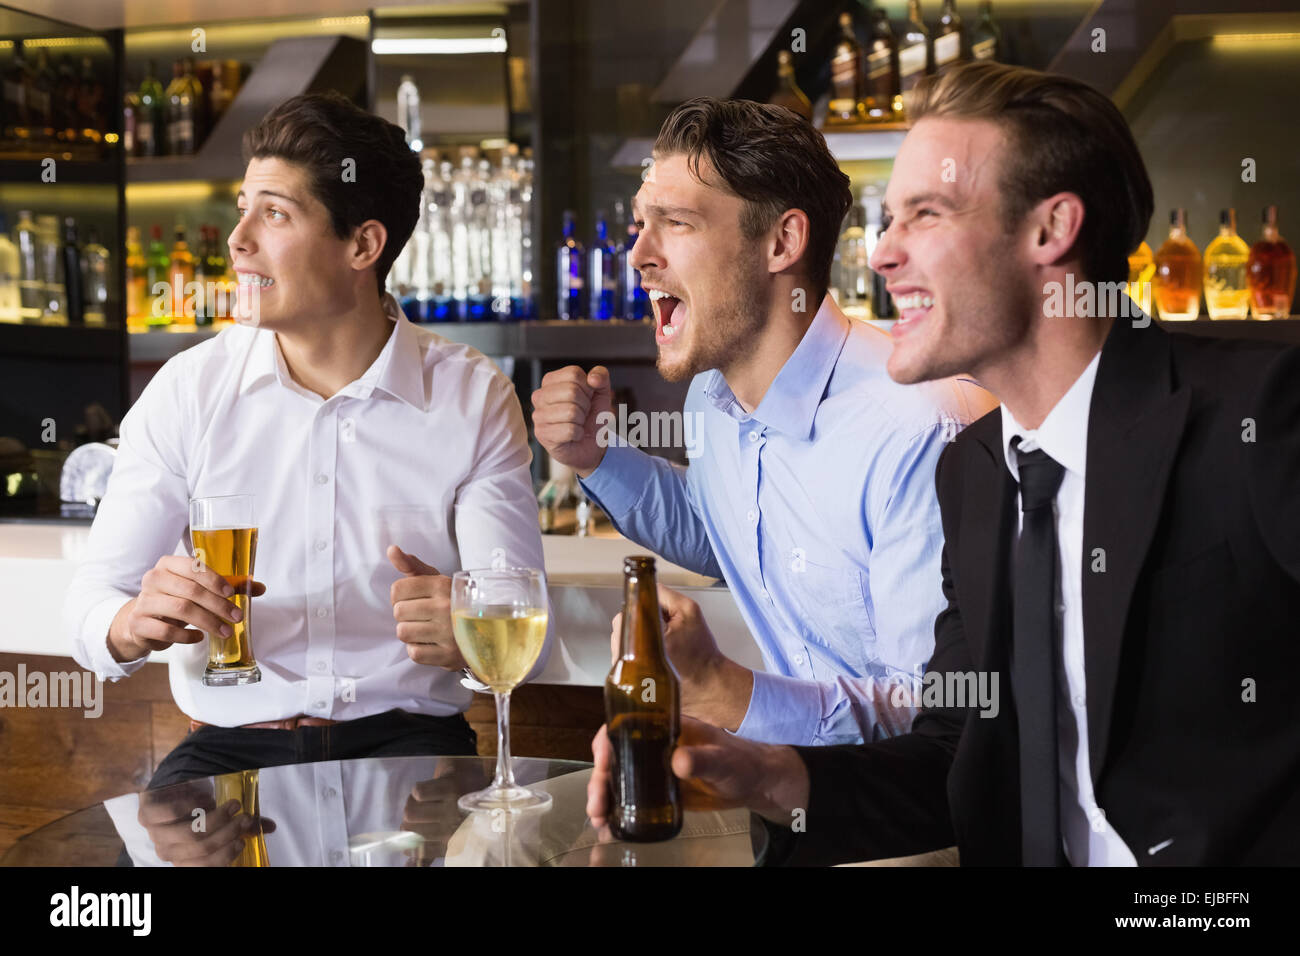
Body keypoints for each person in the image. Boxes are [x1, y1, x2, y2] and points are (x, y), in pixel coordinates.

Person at [585, 61, 1300, 866]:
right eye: (888, 219)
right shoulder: (980, 475)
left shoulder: (1260, 413)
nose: (883, 254)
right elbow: (953, 759)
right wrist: (759, 773)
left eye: (924, 214)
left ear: (1048, 231)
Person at [65, 92, 547, 790]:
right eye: (242, 208)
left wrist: (469, 638)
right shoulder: (188, 391)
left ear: (363, 244)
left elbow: (524, 615)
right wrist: (131, 623)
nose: (237, 240)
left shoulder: (472, 397)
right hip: (227, 753)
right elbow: (89, 601)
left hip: (412, 752)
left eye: (276, 213)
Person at [532, 97, 994, 746]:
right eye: (642, 223)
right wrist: (599, 457)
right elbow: (730, 530)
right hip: (791, 799)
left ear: (782, 241)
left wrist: (726, 691)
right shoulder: (712, 398)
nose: (638, 255)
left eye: (676, 223)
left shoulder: (919, 429)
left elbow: (936, 721)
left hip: (909, 834)